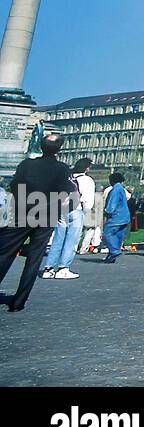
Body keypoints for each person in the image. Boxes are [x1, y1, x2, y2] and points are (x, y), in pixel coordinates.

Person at [0, 132, 74, 311]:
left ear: (41, 146)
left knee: (5, 252)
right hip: (46, 215)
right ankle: (19, 301)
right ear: (60, 148)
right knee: (34, 258)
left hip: (23, 211)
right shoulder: (62, 168)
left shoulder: (26, 165)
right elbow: (65, 192)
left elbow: (15, 185)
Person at [42, 158, 94, 280]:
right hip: (76, 210)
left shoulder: (67, 177)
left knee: (58, 239)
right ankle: (63, 268)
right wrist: (85, 212)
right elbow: (87, 200)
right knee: (72, 240)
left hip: (61, 209)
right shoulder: (87, 180)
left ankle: (48, 268)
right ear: (87, 168)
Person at [101, 173, 131, 262]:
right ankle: (111, 255)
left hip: (116, 216)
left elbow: (112, 203)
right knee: (118, 235)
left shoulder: (115, 189)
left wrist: (107, 211)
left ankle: (114, 251)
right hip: (125, 216)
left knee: (107, 234)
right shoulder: (121, 189)